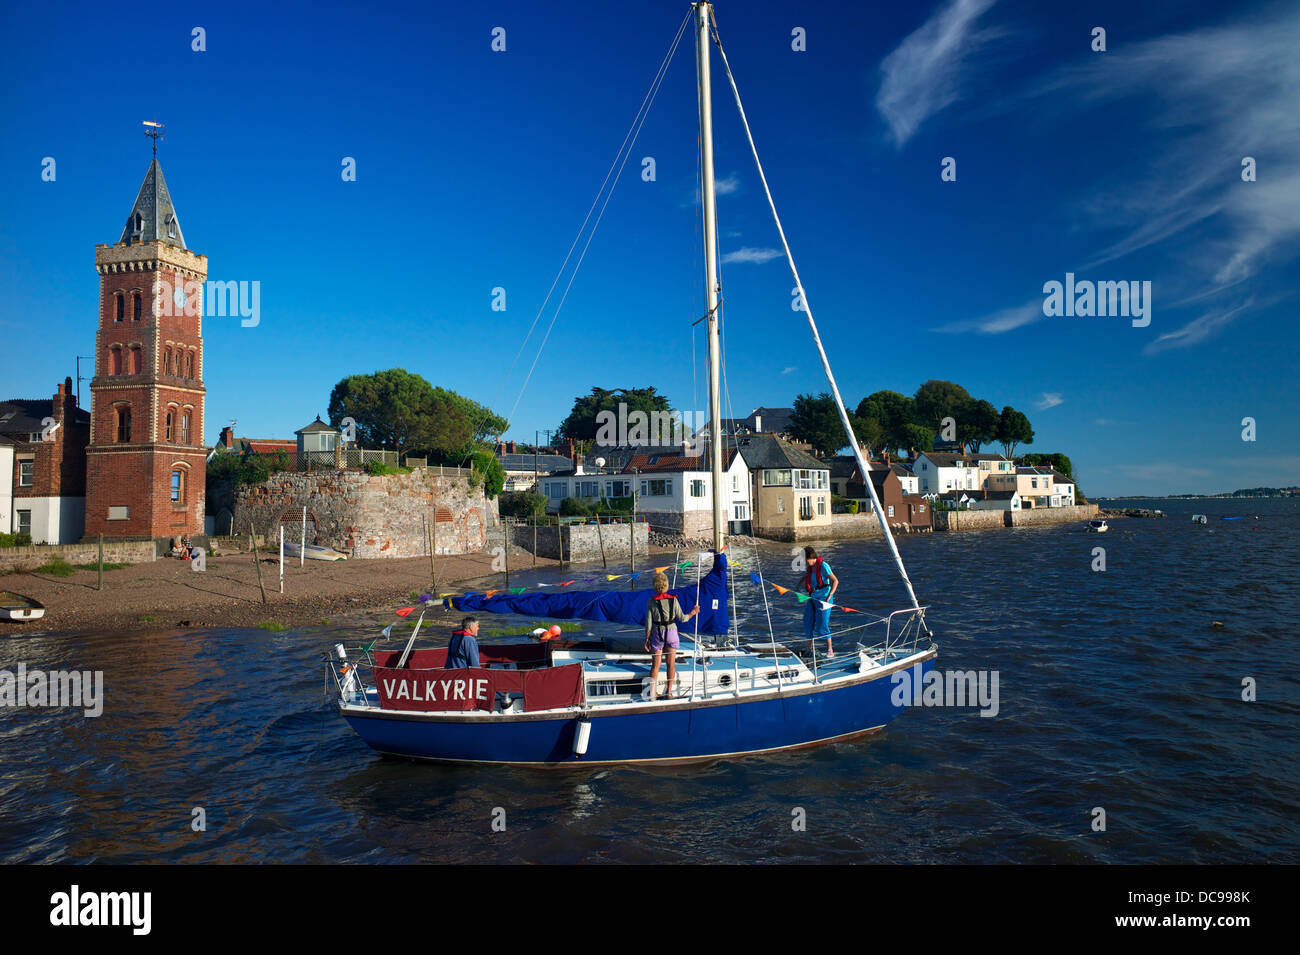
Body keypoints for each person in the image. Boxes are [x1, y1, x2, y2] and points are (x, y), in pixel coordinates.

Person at [643, 572, 699, 701]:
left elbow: (649, 622)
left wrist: (646, 639)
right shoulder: (673, 599)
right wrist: (693, 612)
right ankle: (669, 692)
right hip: (672, 633)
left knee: (655, 665)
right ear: (666, 585)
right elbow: (683, 619)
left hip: (657, 633)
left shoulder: (651, 601)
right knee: (671, 664)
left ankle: (652, 693)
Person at [797, 545, 838, 657]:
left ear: (810, 558)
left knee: (822, 624)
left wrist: (830, 594)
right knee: (807, 621)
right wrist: (798, 585)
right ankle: (808, 648)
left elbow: (835, 581)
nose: (805, 563)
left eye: (805, 560)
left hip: (824, 599)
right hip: (812, 598)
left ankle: (830, 649)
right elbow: (807, 576)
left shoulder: (824, 566)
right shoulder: (810, 567)